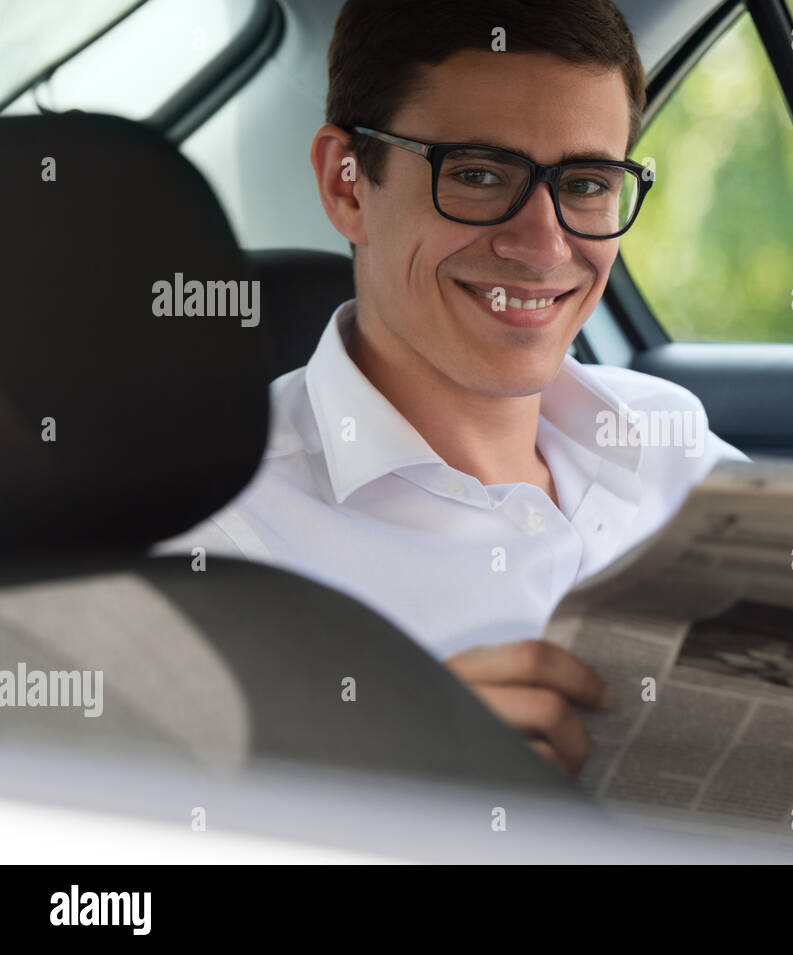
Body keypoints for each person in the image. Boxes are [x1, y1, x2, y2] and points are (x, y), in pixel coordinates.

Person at [156, 0, 747, 775]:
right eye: (477, 174)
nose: (542, 247)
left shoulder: (672, 441)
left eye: (588, 183)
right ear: (347, 185)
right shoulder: (217, 543)